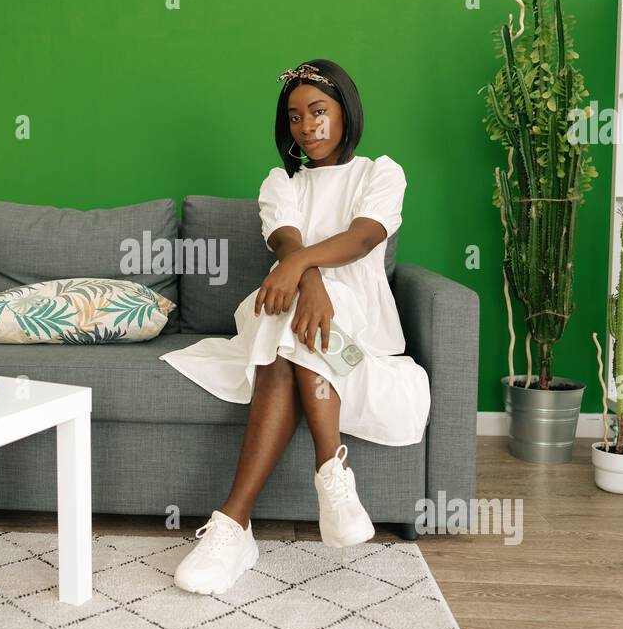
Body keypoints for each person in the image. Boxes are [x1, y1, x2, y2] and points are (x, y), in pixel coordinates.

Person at [159, 58, 430, 595]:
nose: (306, 125)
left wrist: (300, 270)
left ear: (345, 110)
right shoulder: (280, 182)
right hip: (287, 322)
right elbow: (286, 241)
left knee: (291, 330)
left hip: (357, 349)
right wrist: (304, 276)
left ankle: (242, 520)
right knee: (284, 324)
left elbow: (361, 238)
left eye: (318, 110)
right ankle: (324, 480)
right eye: (295, 116)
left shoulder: (381, 173)